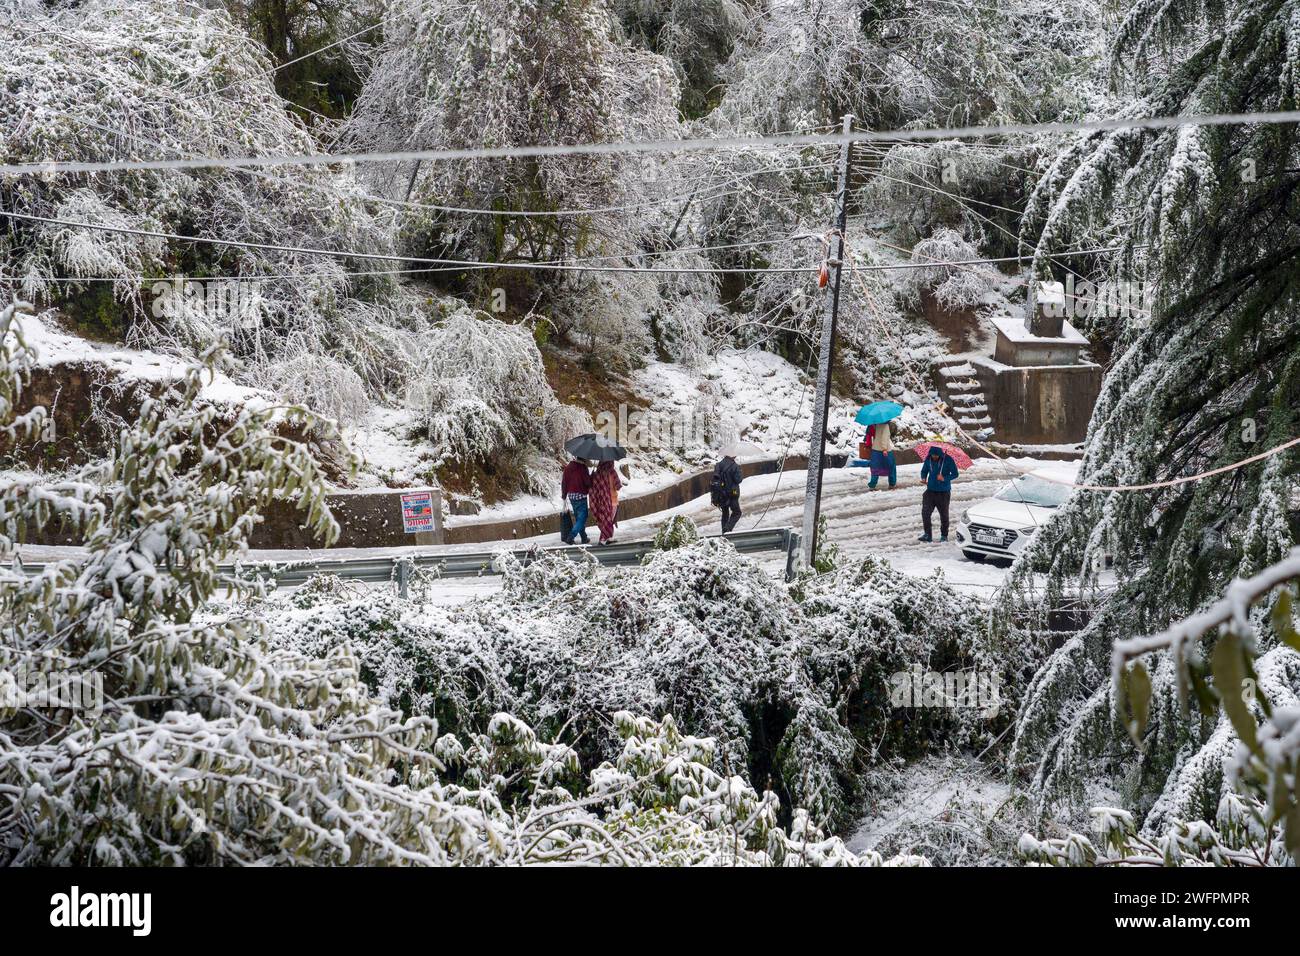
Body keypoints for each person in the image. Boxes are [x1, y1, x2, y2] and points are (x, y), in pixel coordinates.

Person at [918, 444, 959, 542]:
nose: (934, 457)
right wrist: (924, 478)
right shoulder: (928, 459)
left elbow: (955, 474)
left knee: (944, 515)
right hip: (930, 491)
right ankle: (928, 534)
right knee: (925, 513)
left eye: (936, 455)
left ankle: (944, 535)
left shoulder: (948, 460)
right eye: (933, 455)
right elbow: (924, 470)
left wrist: (944, 478)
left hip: (943, 492)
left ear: (940, 454)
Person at [589, 459, 622, 545]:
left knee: (604, 520)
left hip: (600, 501)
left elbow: (594, 487)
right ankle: (603, 538)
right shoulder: (612, 472)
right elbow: (618, 486)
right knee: (609, 520)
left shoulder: (597, 473)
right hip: (612, 500)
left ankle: (608, 537)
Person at [560, 456, 591, 544]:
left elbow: (564, 481)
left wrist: (564, 494)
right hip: (581, 496)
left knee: (578, 518)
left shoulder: (568, 467)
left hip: (571, 496)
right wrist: (592, 476)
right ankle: (571, 536)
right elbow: (587, 482)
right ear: (584, 459)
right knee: (582, 518)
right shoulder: (583, 468)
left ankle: (584, 537)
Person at [711, 453, 743, 533]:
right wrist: (739, 471)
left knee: (725, 513)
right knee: (737, 512)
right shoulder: (734, 466)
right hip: (732, 494)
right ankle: (727, 528)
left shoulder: (719, 465)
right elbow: (738, 480)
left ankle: (724, 534)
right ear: (732, 455)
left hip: (721, 494)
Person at [868, 420, 897, 489]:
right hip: (885, 450)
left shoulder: (876, 424)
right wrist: (884, 449)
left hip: (875, 449)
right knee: (891, 467)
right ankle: (892, 484)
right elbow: (884, 437)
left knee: (875, 468)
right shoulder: (886, 426)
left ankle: (872, 485)